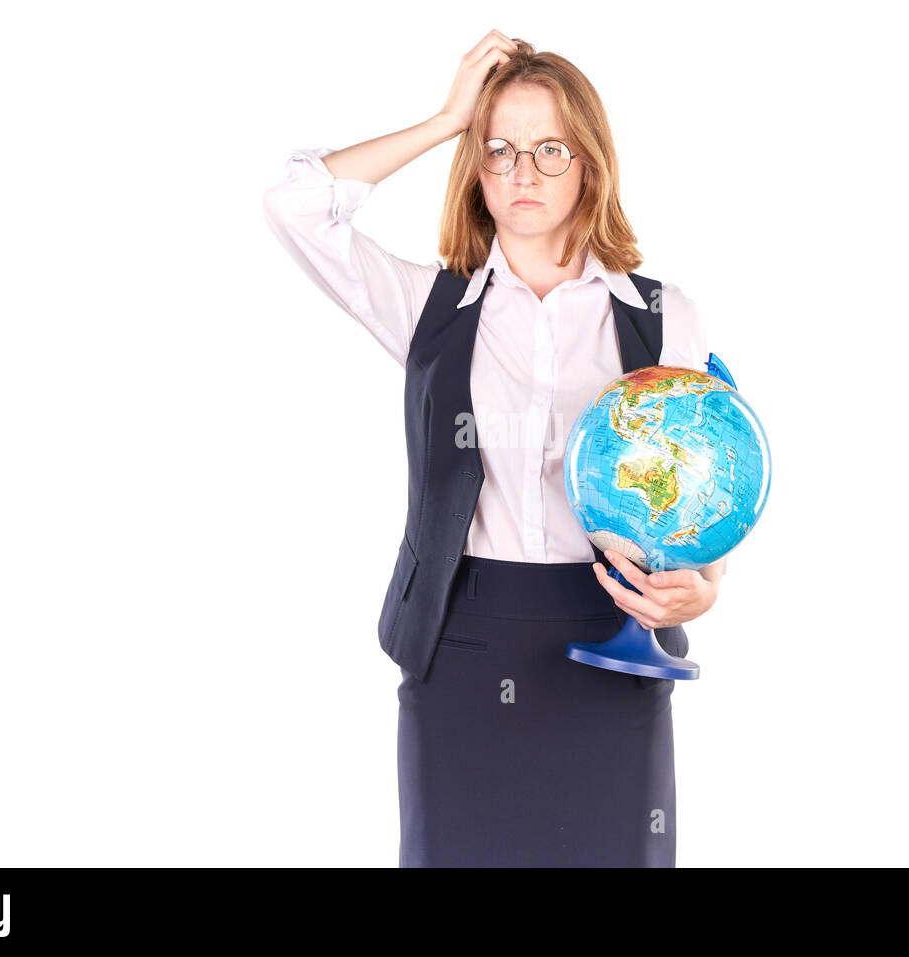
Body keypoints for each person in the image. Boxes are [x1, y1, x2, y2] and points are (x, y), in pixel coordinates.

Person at [262, 30, 726, 867]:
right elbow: (295, 205)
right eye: (499, 148)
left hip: (611, 637)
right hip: (463, 644)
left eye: (550, 150)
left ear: (589, 161)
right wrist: (446, 118)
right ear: (475, 165)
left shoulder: (664, 318)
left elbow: (702, 489)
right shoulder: (429, 307)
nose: (523, 173)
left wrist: (705, 589)